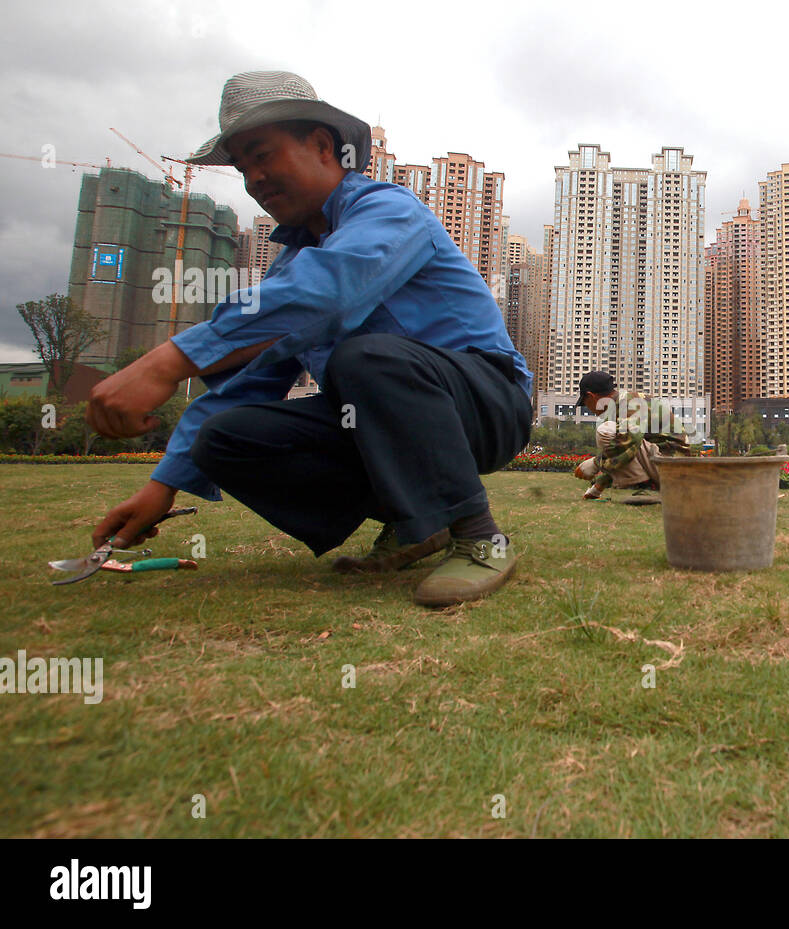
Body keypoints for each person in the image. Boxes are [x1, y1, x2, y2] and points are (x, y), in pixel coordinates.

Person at [87, 71, 532, 608]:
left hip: (487, 404)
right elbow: (246, 382)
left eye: (262, 155)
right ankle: (415, 520)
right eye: (243, 168)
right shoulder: (289, 269)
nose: (254, 179)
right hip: (374, 418)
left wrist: (164, 363)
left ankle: (480, 536)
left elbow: (330, 295)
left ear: (322, 146)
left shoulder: (388, 209)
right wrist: (162, 487)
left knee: (363, 358)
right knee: (225, 437)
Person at [572, 371, 697, 504]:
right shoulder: (623, 404)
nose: (589, 409)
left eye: (586, 403)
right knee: (617, 435)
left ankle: (644, 488)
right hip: (671, 465)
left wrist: (596, 463)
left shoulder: (628, 403)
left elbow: (630, 441)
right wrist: (598, 487)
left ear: (591, 396)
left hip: (674, 468)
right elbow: (628, 453)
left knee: (606, 431)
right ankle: (644, 487)